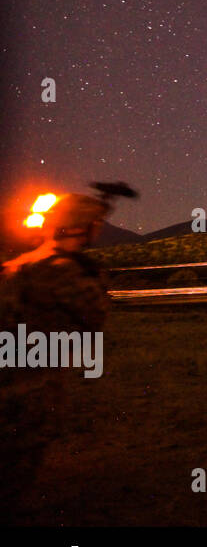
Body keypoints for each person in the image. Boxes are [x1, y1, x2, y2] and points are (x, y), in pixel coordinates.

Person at [0, 193, 114, 518]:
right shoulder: (63, 270)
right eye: (95, 224)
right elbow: (95, 315)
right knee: (14, 481)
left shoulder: (21, 263)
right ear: (82, 227)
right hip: (30, 390)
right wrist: (94, 276)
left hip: (11, 375)